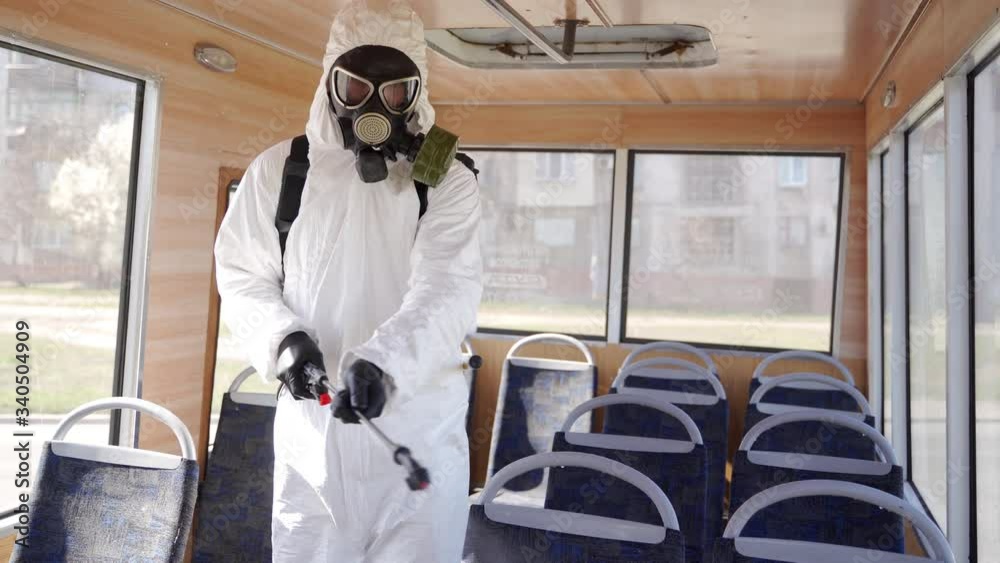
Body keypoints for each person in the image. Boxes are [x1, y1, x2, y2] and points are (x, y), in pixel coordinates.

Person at [213, 1, 482, 561]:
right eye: (356, 88)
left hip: (416, 438)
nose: (374, 107)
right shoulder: (280, 171)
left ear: (417, 93)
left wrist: (388, 363)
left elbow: (446, 289)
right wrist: (281, 338)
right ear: (330, 84)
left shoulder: (447, 179)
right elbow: (241, 273)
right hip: (313, 445)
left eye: (394, 91)